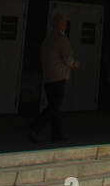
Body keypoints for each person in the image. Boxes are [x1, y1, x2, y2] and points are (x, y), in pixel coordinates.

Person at [29, 13, 80, 143]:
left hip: (48, 77)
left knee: (54, 106)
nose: (65, 25)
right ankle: (35, 127)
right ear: (60, 25)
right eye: (64, 22)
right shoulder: (61, 39)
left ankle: (57, 134)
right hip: (59, 77)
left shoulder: (47, 39)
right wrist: (74, 63)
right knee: (54, 106)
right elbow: (67, 58)